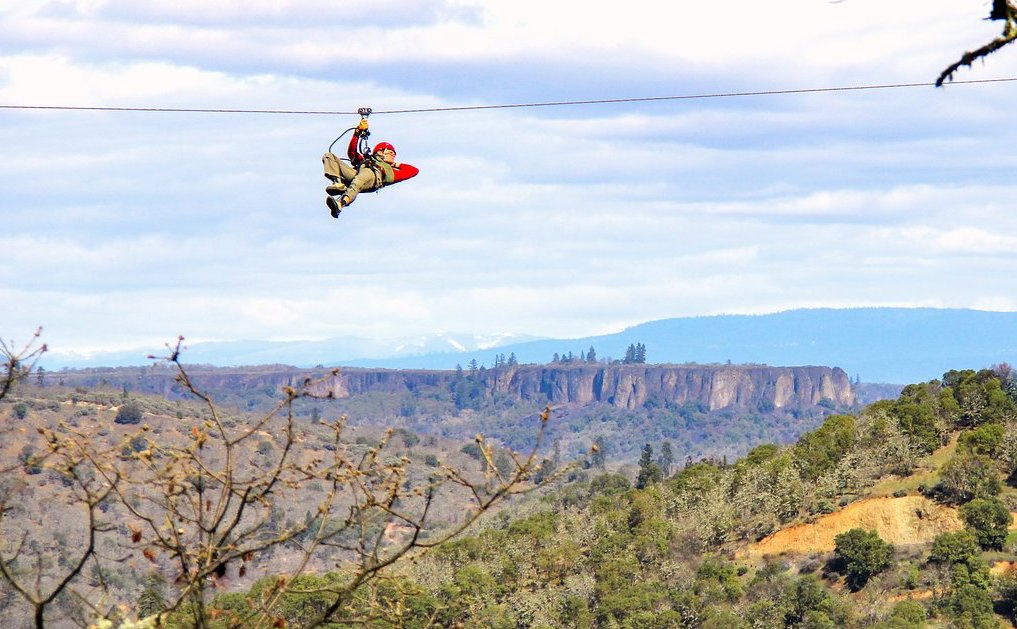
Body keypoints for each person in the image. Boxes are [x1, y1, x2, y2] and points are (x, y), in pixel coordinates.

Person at [322, 119, 419, 218]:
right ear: (380, 152)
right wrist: (357, 133)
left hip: (372, 179)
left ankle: (341, 203)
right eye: (390, 152)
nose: (393, 155)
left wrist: (394, 164)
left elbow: (414, 171)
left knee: (365, 174)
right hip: (357, 175)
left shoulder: (391, 172)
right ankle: (338, 184)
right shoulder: (366, 160)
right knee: (328, 156)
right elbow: (352, 153)